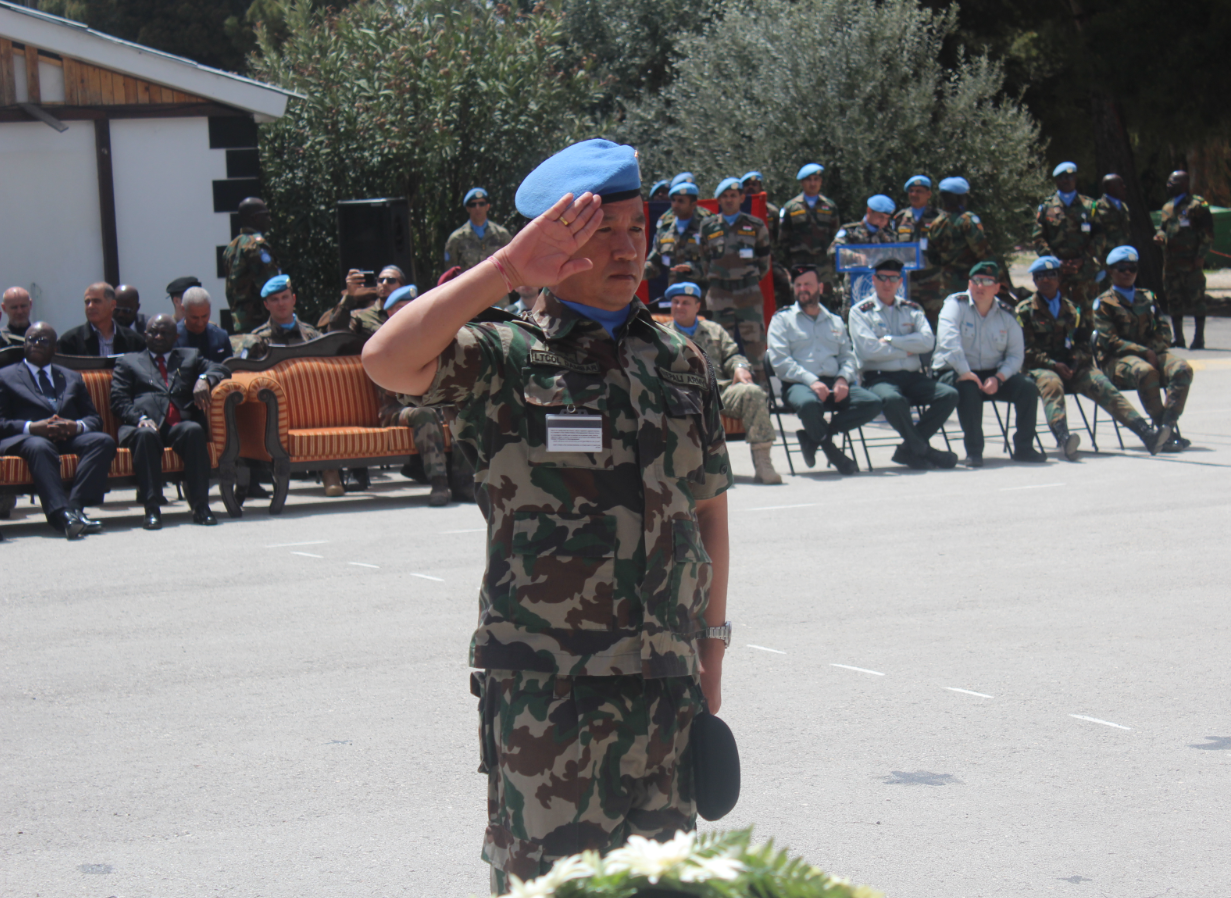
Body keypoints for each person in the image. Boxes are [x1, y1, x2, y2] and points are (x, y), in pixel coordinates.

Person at [361, 138, 732, 893]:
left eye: (636, 228)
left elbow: (709, 513)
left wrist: (712, 650)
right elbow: (386, 361)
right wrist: (504, 270)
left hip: (665, 681)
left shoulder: (678, 360)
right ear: (549, 243)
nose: (626, 248)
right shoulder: (503, 354)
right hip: (549, 692)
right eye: (602, 231)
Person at [1016, 256, 1169, 459]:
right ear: (1034, 281)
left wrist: (1074, 362)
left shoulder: (1074, 309)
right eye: (1040, 276)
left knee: (1102, 385)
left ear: (1059, 278)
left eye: (1051, 275)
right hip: (1040, 368)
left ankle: (1145, 433)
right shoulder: (1024, 311)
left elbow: (1085, 343)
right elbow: (1024, 350)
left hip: (1073, 367)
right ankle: (1063, 438)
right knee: (1052, 384)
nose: (1045, 280)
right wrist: (1053, 364)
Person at [111, 315, 230, 529]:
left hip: (179, 425)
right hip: (144, 425)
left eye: (164, 333)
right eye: (153, 332)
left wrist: (204, 379)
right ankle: (152, 509)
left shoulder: (190, 356)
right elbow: (118, 400)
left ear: (176, 337)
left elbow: (222, 369)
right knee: (145, 435)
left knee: (194, 430)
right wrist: (139, 419)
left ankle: (201, 507)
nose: (158, 337)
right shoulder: (128, 361)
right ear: (145, 335)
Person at [0, 323, 117, 538]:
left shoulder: (71, 377)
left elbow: (94, 419)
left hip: (65, 437)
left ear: (55, 348)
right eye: (30, 340)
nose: (35, 344)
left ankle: (75, 509)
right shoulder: (6, 377)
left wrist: (75, 426)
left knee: (102, 441)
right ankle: (60, 515)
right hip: (23, 439)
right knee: (40, 445)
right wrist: (32, 427)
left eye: (42, 340)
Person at [767, 264, 882, 474]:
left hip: (834, 382)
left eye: (808, 284)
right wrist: (811, 381)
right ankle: (832, 451)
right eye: (798, 285)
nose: (802, 289)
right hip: (799, 385)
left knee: (872, 403)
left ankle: (815, 436)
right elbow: (780, 361)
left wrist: (843, 379)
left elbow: (848, 357)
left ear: (820, 287)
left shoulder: (835, 321)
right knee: (809, 404)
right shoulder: (782, 320)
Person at [932, 261, 1046, 466]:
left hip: (992, 373)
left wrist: (999, 378)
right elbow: (949, 343)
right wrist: (966, 372)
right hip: (954, 370)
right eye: (976, 281)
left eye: (987, 282)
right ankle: (974, 451)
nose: (980, 286)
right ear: (969, 284)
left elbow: (1015, 355)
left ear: (997, 288)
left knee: (1027, 387)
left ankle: (1024, 447)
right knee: (968, 386)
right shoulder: (954, 305)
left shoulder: (1007, 314)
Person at [848, 258, 958, 470]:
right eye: (882, 278)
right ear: (873, 280)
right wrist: (908, 349)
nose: (887, 283)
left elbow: (928, 342)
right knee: (892, 399)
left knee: (949, 394)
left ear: (900, 282)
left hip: (912, 376)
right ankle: (922, 450)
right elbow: (868, 350)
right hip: (879, 377)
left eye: (893, 279)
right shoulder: (860, 312)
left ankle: (910, 449)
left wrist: (891, 341)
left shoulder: (912, 309)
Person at [667, 281, 782, 483]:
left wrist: (740, 367)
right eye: (675, 302)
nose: (679, 306)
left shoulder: (714, 330)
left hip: (719, 391)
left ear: (697, 306)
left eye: (685, 302)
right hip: (683, 392)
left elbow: (733, 355)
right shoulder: (662, 334)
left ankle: (763, 462)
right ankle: (693, 469)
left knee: (753, 393)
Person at [1094, 246, 1192, 452]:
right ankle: (1165, 435)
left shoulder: (1147, 297)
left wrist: (1152, 350)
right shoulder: (1104, 303)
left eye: (1132, 268)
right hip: (1118, 361)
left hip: (1152, 354)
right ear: (1111, 271)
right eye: (1122, 269)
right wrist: (1144, 352)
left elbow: (1164, 331)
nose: (1128, 273)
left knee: (1182, 368)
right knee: (1145, 371)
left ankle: (1167, 426)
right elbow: (1110, 341)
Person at [698, 177, 772, 379]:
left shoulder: (755, 225)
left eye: (733, 195)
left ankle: (760, 391)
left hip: (748, 293)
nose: (729, 200)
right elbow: (704, 260)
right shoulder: (708, 227)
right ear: (719, 200)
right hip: (719, 294)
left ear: (742, 198)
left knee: (755, 346)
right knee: (718, 345)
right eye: (725, 196)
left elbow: (764, 261)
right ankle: (723, 392)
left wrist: (746, 278)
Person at [1031, 162, 1101, 317]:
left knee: (1087, 315)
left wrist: (1083, 259)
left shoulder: (1090, 206)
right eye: (1062, 177)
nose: (1066, 180)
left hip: (1084, 272)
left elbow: (1100, 236)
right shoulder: (1046, 207)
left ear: (1075, 178)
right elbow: (1038, 237)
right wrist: (1055, 261)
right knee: (1058, 313)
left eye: (1069, 177)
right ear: (1056, 181)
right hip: (1056, 274)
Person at [1154, 170, 1214, 349]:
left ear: (1184, 184)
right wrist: (1159, 236)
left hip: (1191, 262)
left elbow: (1207, 234)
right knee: (1173, 298)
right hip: (1171, 262)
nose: (1168, 185)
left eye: (1173, 182)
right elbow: (1163, 228)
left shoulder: (1197, 205)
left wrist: (1201, 256)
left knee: (1197, 298)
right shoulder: (1167, 207)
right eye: (1168, 182)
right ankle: (1178, 338)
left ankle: (1199, 338)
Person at [776, 163, 841, 311]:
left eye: (816, 179)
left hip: (823, 266)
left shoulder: (830, 207)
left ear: (821, 182)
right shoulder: (791, 207)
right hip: (800, 264)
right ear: (802, 183)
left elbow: (835, 236)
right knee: (801, 302)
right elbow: (783, 239)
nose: (813, 183)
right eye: (809, 180)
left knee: (825, 304)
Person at [926, 177, 994, 306]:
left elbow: (932, 257)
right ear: (960, 198)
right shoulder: (967, 220)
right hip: (970, 283)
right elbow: (983, 252)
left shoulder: (935, 224)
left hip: (946, 283)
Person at [829, 194, 899, 312]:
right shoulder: (850, 231)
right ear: (869, 211)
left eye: (887, 218)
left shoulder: (889, 236)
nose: (883, 221)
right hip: (856, 289)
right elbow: (833, 251)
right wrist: (854, 257)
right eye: (881, 217)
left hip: (884, 291)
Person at [222, 197, 281, 332]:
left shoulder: (231, 247)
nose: (269, 219)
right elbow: (272, 286)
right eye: (266, 215)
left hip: (240, 322)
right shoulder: (256, 246)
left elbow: (229, 291)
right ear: (255, 218)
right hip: (261, 323)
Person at [891, 175, 944, 322]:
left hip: (932, 281)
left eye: (919, 191)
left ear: (929, 194)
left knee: (935, 322)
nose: (914, 194)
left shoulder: (939, 218)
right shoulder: (900, 218)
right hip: (907, 282)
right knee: (907, 322)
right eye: (911, 191)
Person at [741, 170, 792, 310]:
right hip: (741, 260)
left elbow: (776, 238)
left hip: (766, 258)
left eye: (754, 184)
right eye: (747, 185)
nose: (751, 187)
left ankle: (785, 312)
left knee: (785, 282)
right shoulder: (737, 209)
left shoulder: (772, 211)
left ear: (761, 187)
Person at [645, 181, 708, 292]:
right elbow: (656, 261)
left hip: (702, 296)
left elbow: (717, 264)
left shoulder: (707, 226)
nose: (675, 205)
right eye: (673, 200)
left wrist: (692, 269)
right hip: (676, 295)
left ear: (693, 204)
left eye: (681, 201)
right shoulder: (665, 227)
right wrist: (642, 271)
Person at [57, 283, 148, 356]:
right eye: (87, 302)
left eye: (96, 301)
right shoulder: (70, 342)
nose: (90, 306)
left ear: (112, 305)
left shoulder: (134, 341)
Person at [444, 188, 513, 273]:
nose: (477, 208)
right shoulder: (457, 239)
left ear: (487, 206)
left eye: (481, 204)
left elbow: (512, 264)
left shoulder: (501, 235)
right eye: (473, 205)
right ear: (467, 208)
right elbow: (450, 272)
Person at [246, 275, 323, 349]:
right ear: (266, 305)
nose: (281, 303)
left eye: (285, 297)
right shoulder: (259, 340)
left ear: (293, 299)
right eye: (274, 299)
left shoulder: (312, 336)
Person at [175, 287, 233, 364]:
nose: (200, 323)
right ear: (183, 309)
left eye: (204, 316)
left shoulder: (221, 337)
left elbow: (230, 368)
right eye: (194, 317)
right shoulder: (173, 338)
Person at [1092, 174, 1133, 276]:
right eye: (1120, 185)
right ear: (1111, 188)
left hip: (1124, 256)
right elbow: (1095, 234)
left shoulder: (1123, 206)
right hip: (1107, 258)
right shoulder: (1098, 207)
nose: (1124, 187)